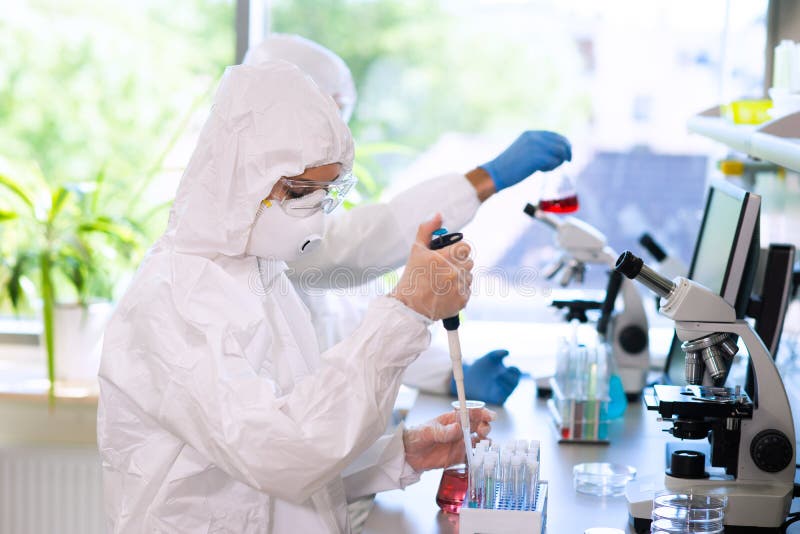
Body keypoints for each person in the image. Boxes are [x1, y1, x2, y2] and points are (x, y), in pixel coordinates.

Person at [96, 61, 494, 533]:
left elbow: (293, 443)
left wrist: (401, 453)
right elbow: (284, 454)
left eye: (325, 192)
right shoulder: (175, 300)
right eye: (301, 191)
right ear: (240, 179)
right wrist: (406, 309)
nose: (314, 213)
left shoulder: (262, 275)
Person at [244, 34, 573, 405]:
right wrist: (485, 179)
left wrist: (450, 374)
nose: (334, 138)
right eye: (327, 118)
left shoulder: (284, 221)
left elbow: (338, 325)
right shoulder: (251, 216)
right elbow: (353, 246)